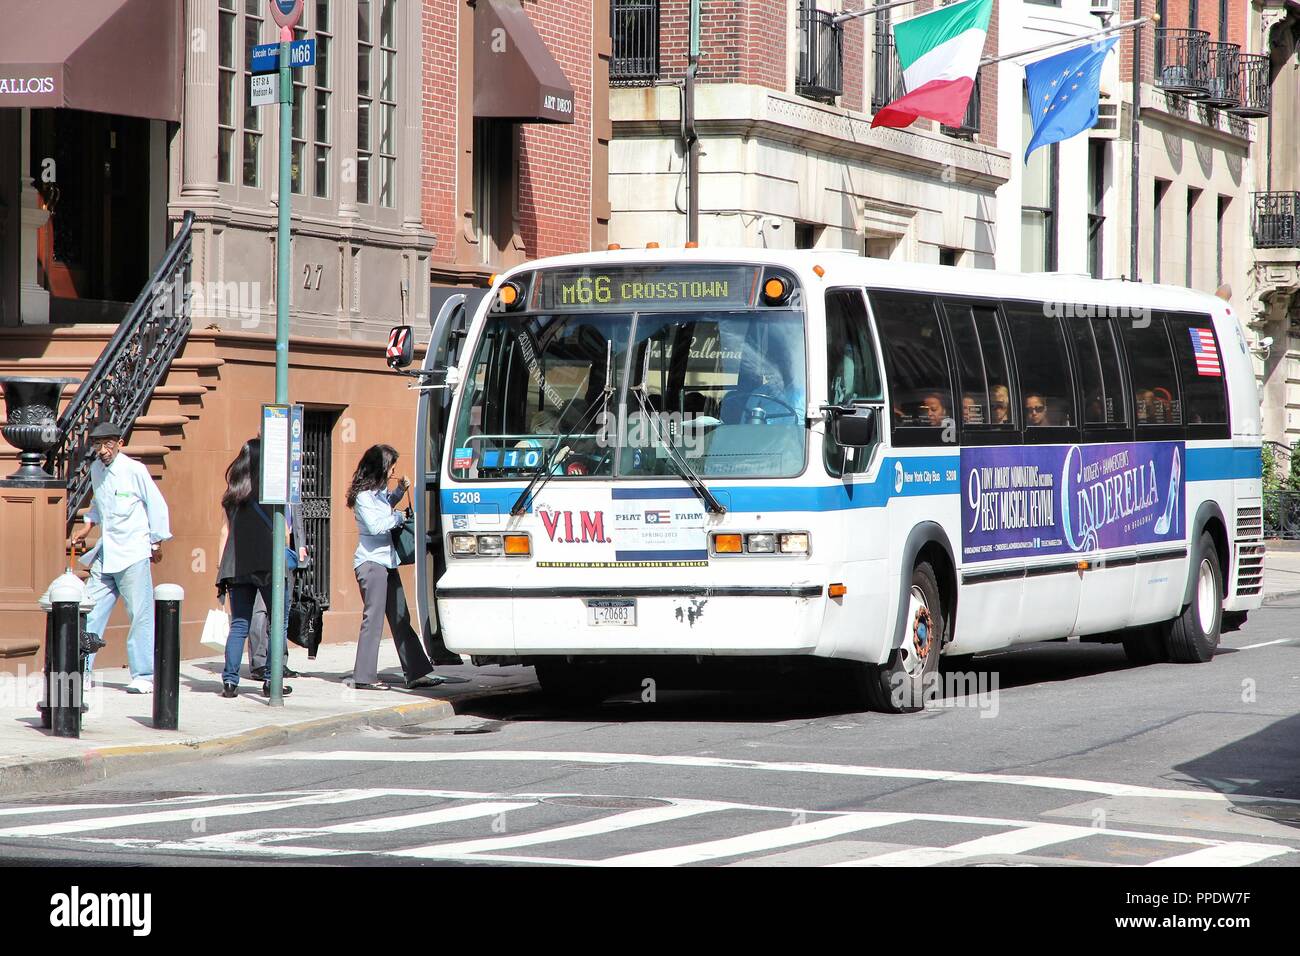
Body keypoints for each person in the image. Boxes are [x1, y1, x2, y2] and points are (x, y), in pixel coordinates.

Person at [71, 420, 171, 694]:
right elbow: (98, 504)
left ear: (120, 444)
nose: (102, 450)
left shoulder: (134, 470)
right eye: (97, 445)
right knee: (89, 611)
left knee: (140, 614)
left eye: (108, 444)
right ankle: (83, 669)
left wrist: (156, 543)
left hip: (133, 552)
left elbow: (157, 505)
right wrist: (87, 526)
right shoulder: (95, 470)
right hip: (107, 551)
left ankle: (143, 674)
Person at [347, 444, 441, 691]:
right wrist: (399, 517)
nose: (393, 472)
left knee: (401, 617)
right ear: (380, 467)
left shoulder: (378, 494)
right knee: (374, 620)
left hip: (387, 562)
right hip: (371, 564)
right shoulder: (363, 497)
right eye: (391, 468)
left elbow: (387, 504)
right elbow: (377, 525)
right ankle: (364, 677)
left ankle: (417, 673)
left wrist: (399, 490)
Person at [215, 439, 294, 698]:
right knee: (278, 623)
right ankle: (272, 680)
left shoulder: (232, 495)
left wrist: (220, 568)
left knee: (239, 624)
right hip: (268, 563)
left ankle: (230, 681)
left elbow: (225, 532)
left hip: (236, 565)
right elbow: (285, 532)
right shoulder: (273, 492)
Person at [247, 501, 308, 681]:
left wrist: (301, 546)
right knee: (260, 609)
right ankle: (259, 663)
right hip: (266, 552)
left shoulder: (292, 488)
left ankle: (279, 662)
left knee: (283, 609)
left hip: (288, 553)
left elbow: (297, 519)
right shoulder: (264, 489)